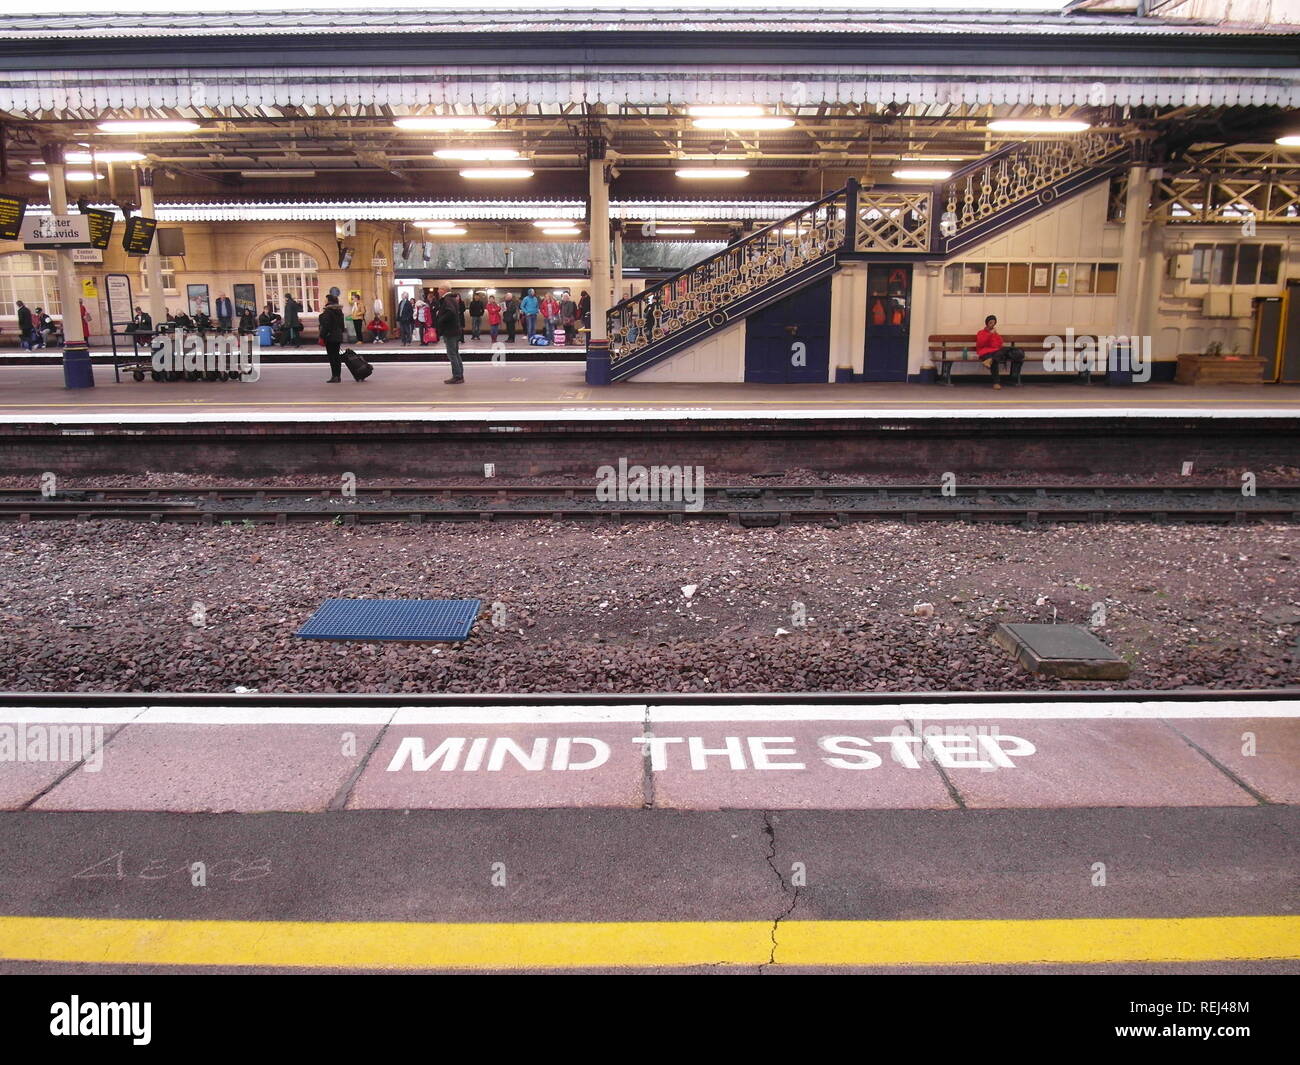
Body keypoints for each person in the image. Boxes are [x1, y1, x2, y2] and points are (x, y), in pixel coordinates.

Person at [974, 314, 1024, 389]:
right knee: (995, 361)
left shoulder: (995, 333)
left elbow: (1000, 344)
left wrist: (995, 335)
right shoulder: (981, 332)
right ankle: (996, 383)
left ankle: (990, 360)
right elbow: (981, 344)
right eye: (990, 322)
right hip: (985, 352)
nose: (992, 324)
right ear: (987, 323)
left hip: (996, 352)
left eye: (994, 323)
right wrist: (990, 334)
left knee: (1006, 350)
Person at [435, 293, 464, 384]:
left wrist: (440, 318)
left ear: (443, 290)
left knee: (452, 354)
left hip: (450, 331)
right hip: (454, 330)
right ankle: (460, 375)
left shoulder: (447, 300)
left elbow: (450, 313)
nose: (438, 291)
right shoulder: (453, 299)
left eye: (439, 289)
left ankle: (457, 376)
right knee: (455, 353)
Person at [319, 292, 347, 382]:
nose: (324, 301)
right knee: (337, 356)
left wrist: (322, 336)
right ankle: (338, 376)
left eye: (325, 299)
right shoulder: (339, 312)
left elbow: (326, 325)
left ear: (329, 301)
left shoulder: (328, 312)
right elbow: (342, 326)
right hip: (338, 336)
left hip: (330, 337)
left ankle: (334, 376)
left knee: (332, 357)